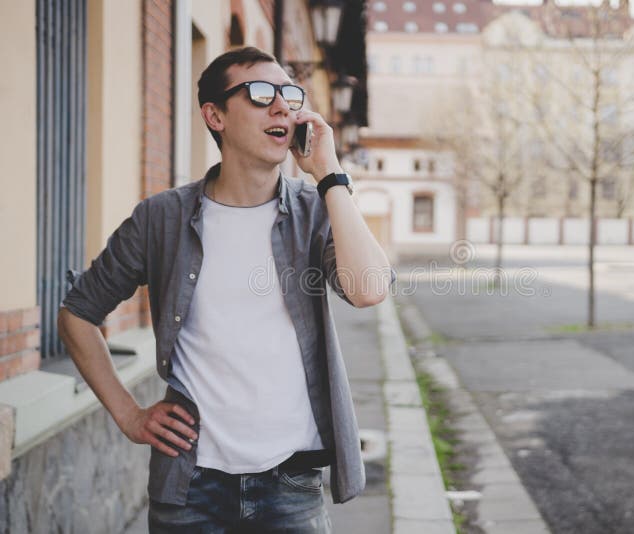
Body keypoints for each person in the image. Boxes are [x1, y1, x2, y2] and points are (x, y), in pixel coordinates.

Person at [58, 46, 394, 533]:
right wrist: (129, 415)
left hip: (291, 487)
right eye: (260, 94)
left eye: (289, 94)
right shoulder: (162, 219)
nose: (282, 106)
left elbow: (368, 291)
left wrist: (330, 175)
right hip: (190, 486)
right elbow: (78, 314)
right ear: (214, 115)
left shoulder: (313, 210)